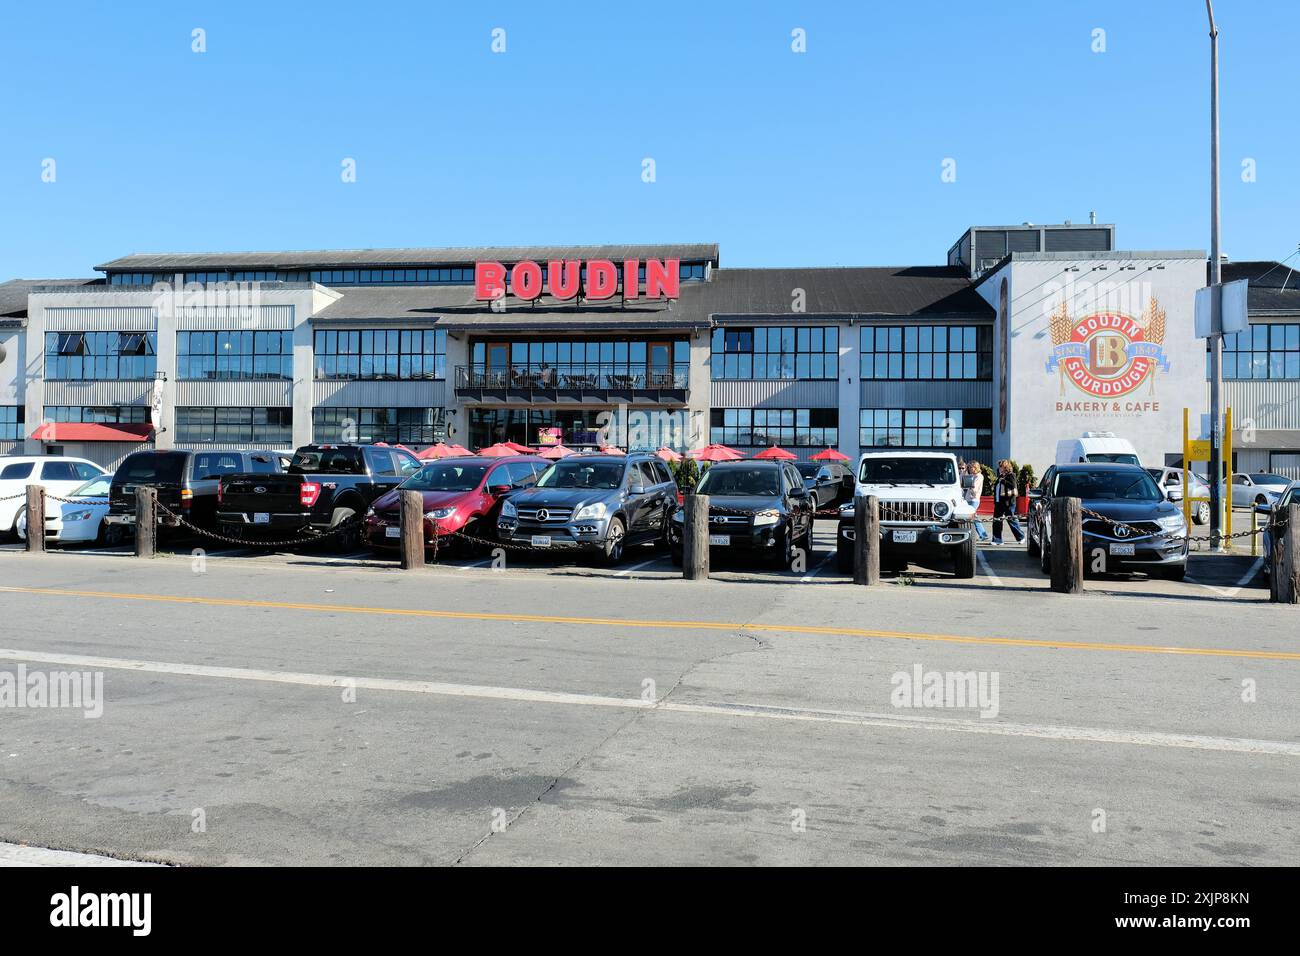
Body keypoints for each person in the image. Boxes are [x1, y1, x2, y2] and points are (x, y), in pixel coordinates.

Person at [991, 459, 1024, 545]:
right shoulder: (1000, 476)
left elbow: (1013, 485)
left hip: (1008, 502)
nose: (999, 468)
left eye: (1001, 466)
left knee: (1011, 520)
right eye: (999, 467)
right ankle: (997, 540)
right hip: (999, 502)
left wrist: (1003, 481)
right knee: (996, 521)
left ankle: (1021, 537)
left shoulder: (1011, 475)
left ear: (1005, 467)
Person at [962, 460, 988, 541]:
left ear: (975, 467)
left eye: (971, 467)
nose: (970, 469)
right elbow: (962, 480)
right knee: (974, 517)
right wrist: (964, 471)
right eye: (969, 467)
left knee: (972, 517)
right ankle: (983, 534)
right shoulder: (972, 476)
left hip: (974, 499)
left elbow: (975, 488)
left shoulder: (979, 476)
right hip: (968, 499)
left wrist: (969, 485)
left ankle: (982, 534)